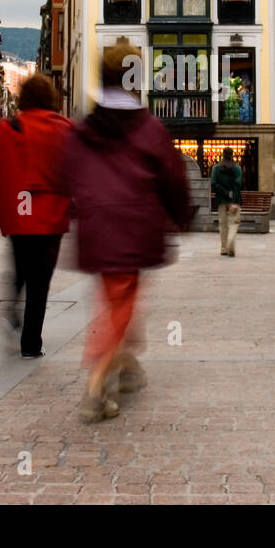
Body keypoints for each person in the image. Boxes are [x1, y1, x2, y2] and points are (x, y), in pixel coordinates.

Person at [60, 38, 191, 423]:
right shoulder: (149, 128)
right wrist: (181, 216)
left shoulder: (83, 129)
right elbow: (172, 177)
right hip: (133, 229)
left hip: (98, 230)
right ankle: (95, 387)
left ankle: (127, 364)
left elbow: (66, 174)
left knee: (117, 299)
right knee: (120, 307)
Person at [0, 73, 73, 358]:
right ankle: (31, 343)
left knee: (21, 267)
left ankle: (12, 305)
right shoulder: (65, 129)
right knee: (41, 281)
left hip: (18, 214)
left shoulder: (5, 128)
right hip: (50, 215)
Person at [211, 147, 243, 257]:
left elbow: (214, 184)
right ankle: (230, 245)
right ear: (232, 155)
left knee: (223, 225)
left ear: (222, 155)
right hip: (234, 200)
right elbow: (237, 186)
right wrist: (233, 199)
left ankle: (224, 249)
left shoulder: (216, 168)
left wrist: (224, 193)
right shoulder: (237, 168)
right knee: (233, 224)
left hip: (221, 200)